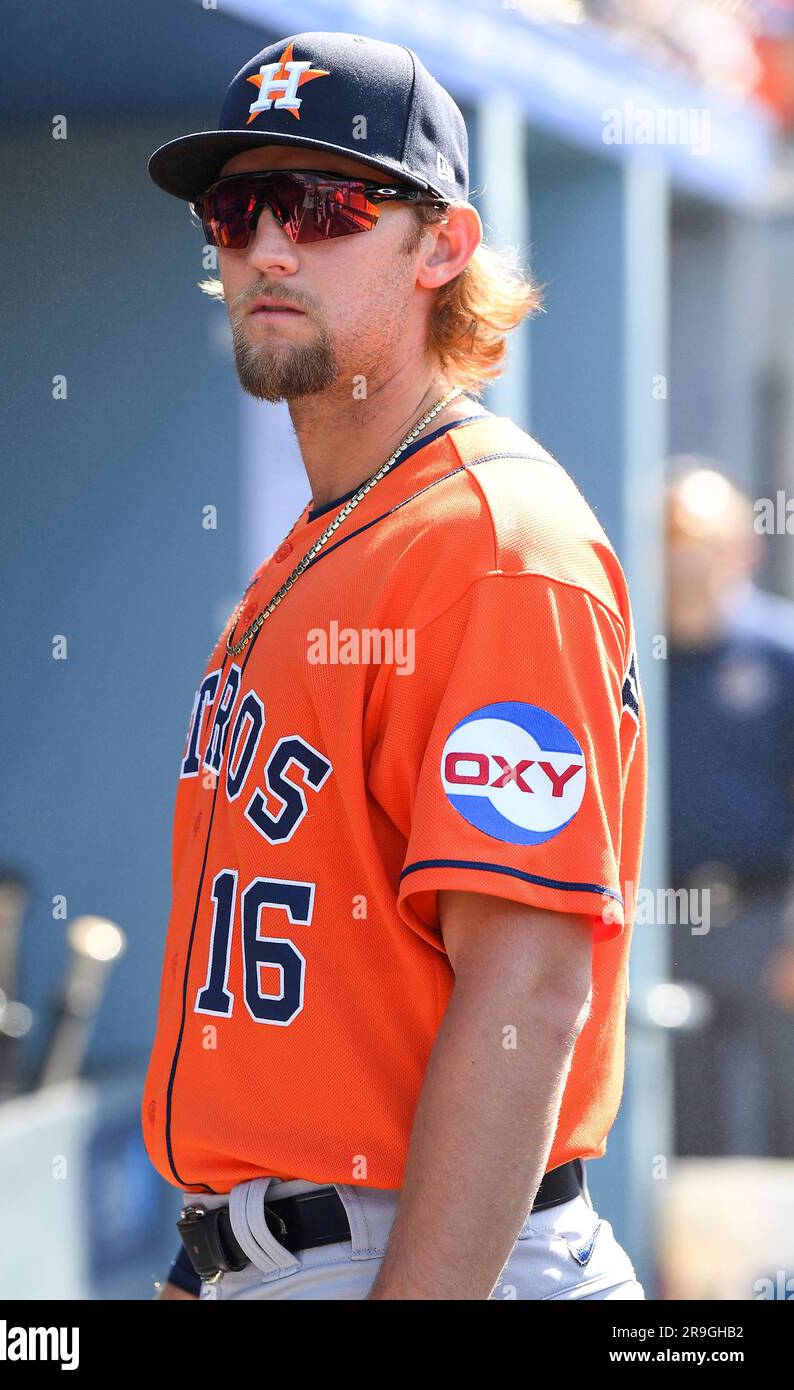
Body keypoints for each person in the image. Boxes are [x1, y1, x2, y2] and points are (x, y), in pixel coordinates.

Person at [142, 30, 647, 1301]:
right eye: (235, 206)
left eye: (322, 204)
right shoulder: (333, 532)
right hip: (279, 1250)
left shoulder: (492, 543)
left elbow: (528, 988)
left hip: (429, 1256)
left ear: (441, 245)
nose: (265, 244)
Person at [666, 462, 794, 1158]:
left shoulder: (779, 653)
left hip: (766, 922)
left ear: (745, 547)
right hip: (660, 921)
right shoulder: (628, 655)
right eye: (673, 540)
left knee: (782, 1117)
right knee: (680, 1121)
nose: (687, 560)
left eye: (704, 540)